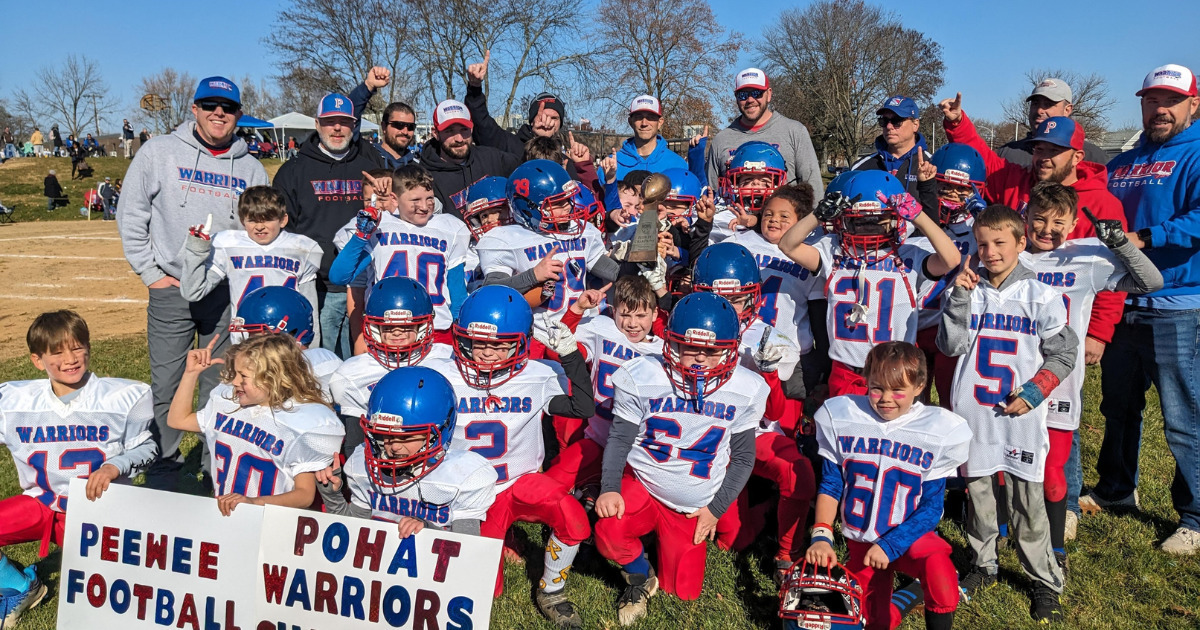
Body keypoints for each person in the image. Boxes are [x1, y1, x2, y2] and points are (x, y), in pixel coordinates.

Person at [117, 76, 269, 492]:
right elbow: (131, 216)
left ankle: (213, 467)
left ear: (238, 114)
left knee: (222, 383)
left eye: (228, 107)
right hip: (172, 290)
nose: (219, 113)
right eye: (210, 105)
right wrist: (151, 274)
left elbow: (260, 228)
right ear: (195, 109)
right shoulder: (159, 151)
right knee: (167, 381)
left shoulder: (251, 166)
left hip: (223, 293)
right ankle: (164, 467)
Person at [937, 204, 1076, 622]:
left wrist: (1035, 391)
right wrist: (959, 298)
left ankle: (1044, 579)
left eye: (999, 243)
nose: (990, 252)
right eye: (982, 244)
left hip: (1020, 418)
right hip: (974, 413)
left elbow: (1064, 353)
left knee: (1027, 502)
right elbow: (949, 346)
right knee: (979, 495)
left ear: (1021, 242)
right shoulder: (967, 290)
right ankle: (984, 564)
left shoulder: (1041, 295)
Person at [426, 286, 595, 628]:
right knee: (484, 592)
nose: (488, 352)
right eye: (479, 342)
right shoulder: (442, 374)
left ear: (521, 342)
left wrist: (570, 356)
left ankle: (552, 590)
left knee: (574, 518)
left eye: (500, 344)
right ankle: (501, 540)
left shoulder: (537, 375)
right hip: (470, 495)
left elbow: (583, 407)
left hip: (519, 483)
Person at [594, 293, 766, 624]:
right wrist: (610, 487)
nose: (700, 357)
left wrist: (715, 510)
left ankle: (660, 547)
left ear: (730, 349)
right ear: (672, 342)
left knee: (683, 593)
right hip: (644, 484)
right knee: (608, 532)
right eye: (690, 347)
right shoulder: (643, 375)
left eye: (712, 350)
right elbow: (620, 438)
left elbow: (744, 458)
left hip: (692, 506)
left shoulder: (746, 388)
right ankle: (641, 574)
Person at [1086, 63, 1200, 555]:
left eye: (1171, 101)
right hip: (1124, 302)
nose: (1160, 110)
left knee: (1184, 417)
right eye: (1152, 101)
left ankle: (1194, 516)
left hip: (1177, 305)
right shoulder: (1126, 160)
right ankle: (1116, 488)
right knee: (1118, 407)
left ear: (1194, 104)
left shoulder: (1195, 152)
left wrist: (1148, 237)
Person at [1021, 181, 1162, 564]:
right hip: (1014, 372)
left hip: (1060, 380)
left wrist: (1121, 244)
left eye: (1058, 223)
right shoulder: (1012, 255)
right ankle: (1008, 522)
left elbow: (1151, 282)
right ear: (1026, 217)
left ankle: (1061, 518)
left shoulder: (1085, 256)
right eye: (1039, 219)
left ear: (1072, 226)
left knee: (1056, 458)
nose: (1047, 229)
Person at [941, 97, 1130, 373]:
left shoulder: (1102, 204)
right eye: (1039, 148)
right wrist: (958, 124)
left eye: (1055, 150)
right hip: (1012, 315)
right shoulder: (1018, 181)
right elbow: (986, 161)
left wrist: (1098, 333)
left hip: (1064, 319)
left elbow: (1112, 273)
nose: (1044, 157)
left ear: (1078, 157)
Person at [0, 311, 157, 628]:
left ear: (88, 348)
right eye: (57, 352)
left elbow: (147, 448)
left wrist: (115, 466)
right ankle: (21, 586)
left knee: (127, 591)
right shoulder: (13, 401)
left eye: (77, 348)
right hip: (43, 504)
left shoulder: (123, 397)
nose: (70, 359)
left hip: (101, 512)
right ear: (37, 360)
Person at [803, 341, 970, 630]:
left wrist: (890, 545)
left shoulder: (937, 429)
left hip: (910, 538)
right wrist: (822, 535)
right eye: (877, 388)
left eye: (898, 390)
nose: (886, 399)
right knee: (873, 623)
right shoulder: (843, 415)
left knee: (938, 569)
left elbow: (932, 508)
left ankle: (931, 597)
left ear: (919, 387)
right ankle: (912, 593)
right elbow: (831, 484)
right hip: (862, 542)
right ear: (866, 381)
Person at [777, 171, 961, 396]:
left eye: (877, 220)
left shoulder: (908, 255)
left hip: (896, 370)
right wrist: (817, 215)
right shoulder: (832, 251)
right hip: (846, 369)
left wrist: (919, 216)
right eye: (859, 220)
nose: (868, 227)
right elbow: (787, 245)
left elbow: (951, 260)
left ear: (897, 218)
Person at [167, 333, 344, 513]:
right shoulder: (228, 402)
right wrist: (190, 374)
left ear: (273, 377)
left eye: (243, 376)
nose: (234, 381)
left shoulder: (300, 423)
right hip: (225, 513)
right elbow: (178, 420)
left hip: (270, 520)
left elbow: (305, 495)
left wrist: (253, 502)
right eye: (235, 373)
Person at [316, 366, 498, 538]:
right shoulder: (362, 466)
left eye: (405, 437)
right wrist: (333, 497)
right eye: (384, 435)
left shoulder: (461, 476)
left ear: (438, 433)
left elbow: (467, 548)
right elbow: (352, 533)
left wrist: (428, 531)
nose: (394, 447)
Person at [274, 92, 383, 360]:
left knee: (362, 363)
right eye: (329, 121)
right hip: (318, 287)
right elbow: (284, 232)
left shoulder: (370, 167)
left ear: (354, 125)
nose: (337, 128)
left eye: (344, 122)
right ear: (317, 124)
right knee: (320, 363)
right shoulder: (293, 170)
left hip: (366, 284)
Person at [328, 166, 470, 341]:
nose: (424, 206)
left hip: (436, 329)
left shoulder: (450, 228)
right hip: (388, 330)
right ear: (394, 199)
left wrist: (459, 330)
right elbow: (339, 277)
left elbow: (457, 291)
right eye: (415, 200)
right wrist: (361, 235)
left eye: (429, 198)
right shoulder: (380, 225)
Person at [328, 277, 451, 455]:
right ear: (374, 327)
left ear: (423, 326)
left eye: (405, 326)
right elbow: (355, 443)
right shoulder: (352, 374)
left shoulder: (445, 359)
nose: (396, 333)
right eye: (387, 327)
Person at [180, 186, 323, 339]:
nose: (259, 227)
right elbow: (193, 292)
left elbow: (308, 307)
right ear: (243, 220)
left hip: (286, 338)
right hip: (246, 340)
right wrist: (197, 250)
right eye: (252, 220)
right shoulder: (228, 245)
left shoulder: (302, 248)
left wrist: (309, 345)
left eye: (267, 219)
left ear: (283, 220)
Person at [707, 68, 824, 199]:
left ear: (769, 94)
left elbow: (813, 190)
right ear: (736, 98)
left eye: (756, 93)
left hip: (784, 211)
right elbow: (711, 193)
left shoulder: (795, 131)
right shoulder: (721, 140)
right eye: (743, 95)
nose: (750, 100)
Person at [228, 285, 342, 402]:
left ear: (289, 332)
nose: (249, 343)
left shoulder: (322, 364)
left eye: (256, 336)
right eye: (249, 335)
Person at [418, 99, 520, 219]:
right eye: (449, 131)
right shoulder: (424, 177)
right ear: (435, 133)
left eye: (464, 129)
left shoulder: (492, 157)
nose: (459, 139)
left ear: (471, 129)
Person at [463, 50, 569, 158]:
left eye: (554, 118)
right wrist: (475, 88)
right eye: (543, 116)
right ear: (532, 121)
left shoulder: (567, 160)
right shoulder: (511, 146)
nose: (548, 122)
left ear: (560, 123)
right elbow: (484, 128)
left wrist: (580, 164)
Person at [995, 78, 1109, 167]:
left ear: (1067, 110)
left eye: (1048, 104)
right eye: (1035, 104)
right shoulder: (1006, 154)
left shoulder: (1093, 156)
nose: (1039, 110)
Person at [851, 96, 936, 210]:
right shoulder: (861, 167)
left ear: (915, 124)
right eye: (884, 121)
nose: (889, 126)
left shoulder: (932, 165)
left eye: (897, 121)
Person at [614, 95, 687, 181]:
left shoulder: (678, 164)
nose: (644, 123)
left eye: (650, 117)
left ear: (660, 122)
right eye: (639, 117)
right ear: (630, 122)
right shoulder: (612, 164)